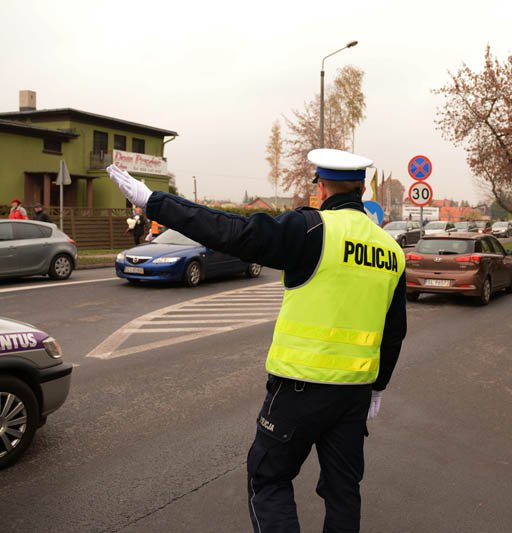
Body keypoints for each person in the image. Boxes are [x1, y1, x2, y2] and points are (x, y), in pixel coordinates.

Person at [107, 148, 407, 533]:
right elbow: (394, 331)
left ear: (321, 187)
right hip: (353, 395)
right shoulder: (390, 250)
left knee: (268, 479)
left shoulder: (312, 229)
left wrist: (154, 202)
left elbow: (232, 231)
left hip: (299, 389)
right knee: (343, 491)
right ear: (362, 188)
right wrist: (377, 388)